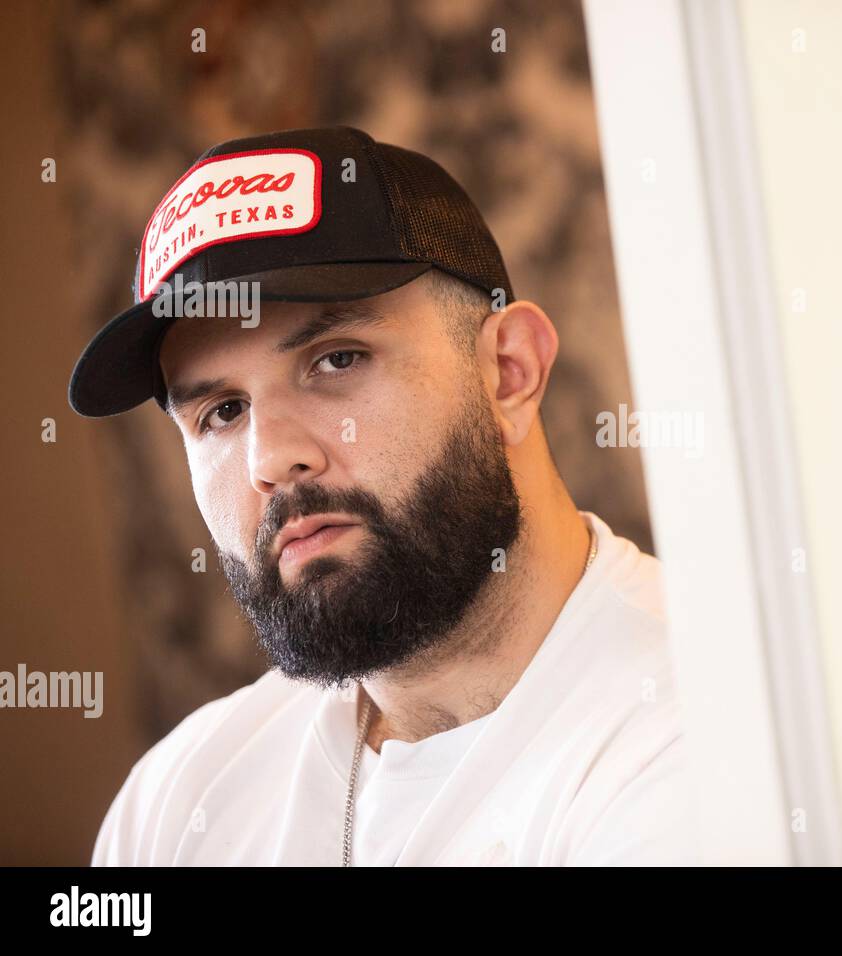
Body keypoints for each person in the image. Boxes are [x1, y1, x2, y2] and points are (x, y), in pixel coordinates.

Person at [69, 125, 696, 865]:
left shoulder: (692, 736)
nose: (271, 460)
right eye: (222, 413)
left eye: (336, 359)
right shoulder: (175, 804)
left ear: (508, 372)